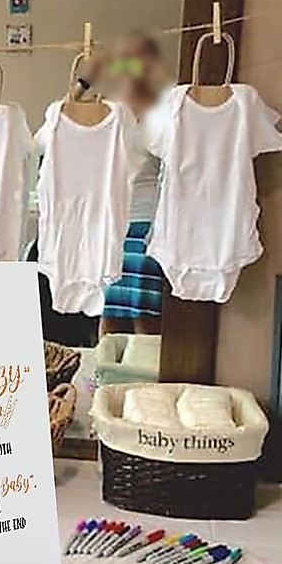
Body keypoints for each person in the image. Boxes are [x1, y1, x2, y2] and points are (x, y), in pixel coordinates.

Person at [95, 32, 169, 336]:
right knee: (108, 312)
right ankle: (104, 367)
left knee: (143, 315)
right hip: (111, 224)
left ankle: (143, 368)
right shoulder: (107, 111)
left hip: (147, 223)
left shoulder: (164, 112)